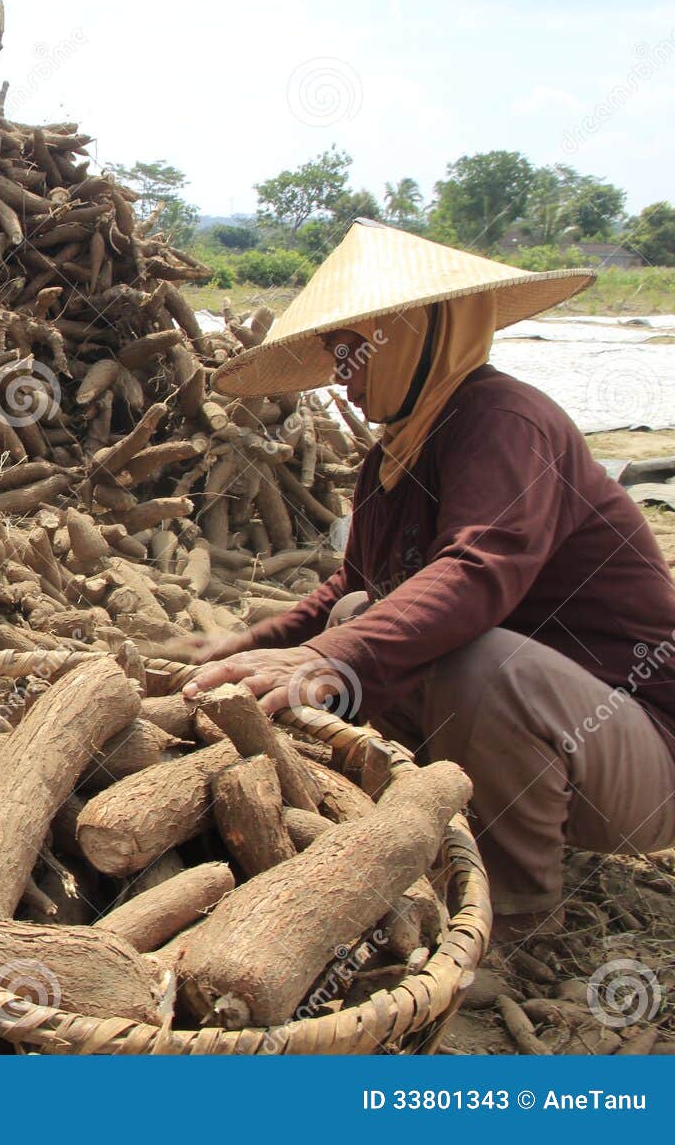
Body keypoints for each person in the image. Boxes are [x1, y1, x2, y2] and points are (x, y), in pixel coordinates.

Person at [183, 219, 675, 942]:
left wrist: (328, 657)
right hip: (552, 747)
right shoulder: (394, 462)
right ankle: (431, 833)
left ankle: (515, 914)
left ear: (420, 333)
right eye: (336, 352)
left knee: (480, 663)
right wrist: (241, 653)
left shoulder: (506, 421)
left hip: (639, 757)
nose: (342, 374)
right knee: (355, 609)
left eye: (355, 349)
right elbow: (346, 588)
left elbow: (481, 570)